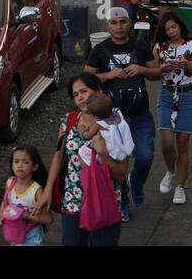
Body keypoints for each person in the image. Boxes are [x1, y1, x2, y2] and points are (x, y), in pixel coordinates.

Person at [37, 73, 131, 246]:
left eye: (84, 91)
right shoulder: (69, 121)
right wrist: (48, 190)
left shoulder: (116, 125)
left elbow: (120, 175)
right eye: (75, 95)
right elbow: (58, 155)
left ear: (98, 92)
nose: (80, 97)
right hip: (73, 203)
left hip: (104, 205)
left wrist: (103, 154)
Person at [84, 9, 158, 222]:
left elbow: (157, 72)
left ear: (130, 24)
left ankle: (136, 184)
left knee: (145, 157)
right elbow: (86, 78)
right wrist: (108, 75)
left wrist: (141, 69)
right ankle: (123, 201)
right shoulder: (100, 49)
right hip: (112, 119)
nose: (119, 26)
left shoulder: (140, 46)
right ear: (107, 26)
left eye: (123, 22)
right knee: (117, 163)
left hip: (140, 114)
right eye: (114, 22)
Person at [151, 11, 192, 205]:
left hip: (187, 95)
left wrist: (187, 65)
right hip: (166, 95)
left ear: (180, 26)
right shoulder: (159, 47)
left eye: (173, 27)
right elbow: (153, 72)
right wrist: (162, 69)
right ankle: (170, 171)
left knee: (182, 142)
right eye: (166, 29)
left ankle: (180, 186)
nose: (171, 31)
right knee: (166, 142)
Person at [1, 145, 51, 246]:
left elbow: (49, 218)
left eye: (25, 162)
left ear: (35, 166)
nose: (20, 165)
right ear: (12, 165)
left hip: (31, 236)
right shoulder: (10, 183)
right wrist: (2, 218)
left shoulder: (36, 191)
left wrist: (31, 217)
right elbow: (5, 202)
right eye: (16, 161)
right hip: (14, 233)